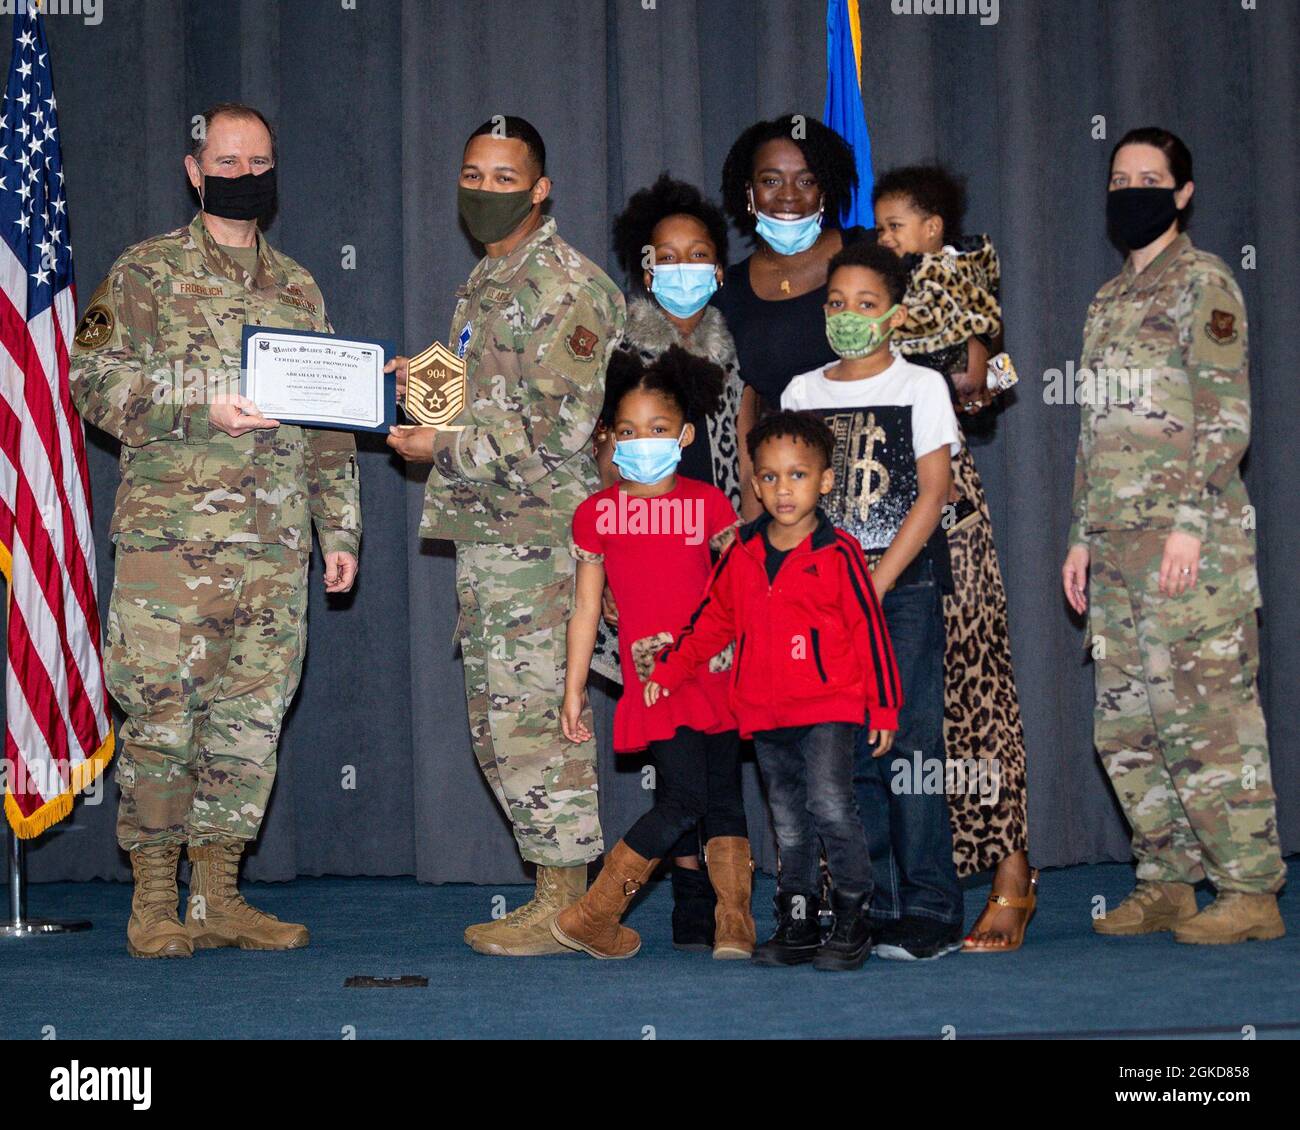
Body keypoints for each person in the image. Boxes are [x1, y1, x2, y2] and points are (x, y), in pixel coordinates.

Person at [70, 103, 360, 959]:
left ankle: (220, 895)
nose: (244, 174)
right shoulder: (145, 273)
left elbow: (332, 422)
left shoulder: (301, 285)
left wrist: (339, 529)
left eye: (259, 159)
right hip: (172, 547)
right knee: (163, 721)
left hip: (274, 550)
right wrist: (200, 405)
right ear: (195, 171)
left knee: (250, 724)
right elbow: (94, 380)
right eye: (226, 162)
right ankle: (156, 899)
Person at [386, 116, 626, 956]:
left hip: (542, 542)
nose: (485, 192)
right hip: (492, 537)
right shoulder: (488, 279)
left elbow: (555, 432)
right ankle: (553, 893)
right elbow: (490, 393)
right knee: (499, 720)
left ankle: (569, 909)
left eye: (504, 177)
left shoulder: (567, 287)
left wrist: (437, 443)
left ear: (541, 187)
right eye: (473, 176)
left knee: (534, 720)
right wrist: (420, 384)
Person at [1063, 126, 1285, 945]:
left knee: (1209, 721)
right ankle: (1166, 879)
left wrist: (1191, 526)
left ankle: (1251, 889)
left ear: (1183, 192)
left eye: (1149, 178)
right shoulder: (1106, 299)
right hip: (1115, 545)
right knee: (1125, 725)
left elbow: (1226, 422)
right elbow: (1094, 430)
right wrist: (1080, 535)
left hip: (1192, 546)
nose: (1133, 190)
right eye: (1120, 178)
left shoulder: (1206, 284)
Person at [646, 412, 902, 973]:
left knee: (832, 806)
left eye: (797, 476)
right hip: (763, 715)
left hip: (829, 707)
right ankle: (799, 915)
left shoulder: (841, 554)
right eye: (770, 477)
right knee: (787, 819)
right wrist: (670, 669)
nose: (783, 490)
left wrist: (883, 706)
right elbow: (711, 620)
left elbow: (871, 634)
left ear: (825, 481)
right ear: (754, 483)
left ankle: (856, 911)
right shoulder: (739, 550)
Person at [783, 240, 966, 960]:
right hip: (823, 600)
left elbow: (934, 492)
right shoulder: (802, 392)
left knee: (911, 746)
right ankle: (870, 903)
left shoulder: (922, 386)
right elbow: (786, 496)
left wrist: (878, 579)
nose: (849, 316)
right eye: (836, 303)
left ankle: (930, 907)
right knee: (843, 755)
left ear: (895, 313)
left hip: (901, 592)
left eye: (865, 304)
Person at [872, 166, 1037, 952]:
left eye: (896, 224)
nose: (885, 239)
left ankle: (1013, 876)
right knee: (896, 711)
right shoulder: (875, 294)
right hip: (869, 518)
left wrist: (983, 364)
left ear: (933, 226)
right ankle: (888, 887)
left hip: (952, 514)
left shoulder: (961, 284)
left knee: (979, 693)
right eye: (879, 228)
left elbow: (994, 381)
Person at [552, 347, 751, 960]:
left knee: (724, 796)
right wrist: (574, 687)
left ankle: (733, 922)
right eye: (629, 431)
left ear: (685, 435)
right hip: (658, 678)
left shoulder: (710, 505)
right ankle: (595, 913)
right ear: (608, 436)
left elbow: (740, 590)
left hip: (719, 672)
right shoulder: (596, 515)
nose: (643, 442)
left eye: (659, 430)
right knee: (684, 797)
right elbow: (586, 608)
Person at [589, 174, 744, 950]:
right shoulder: (623, 348)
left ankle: (710, 909)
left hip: (716, 570)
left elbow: (742, 461)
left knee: (718, 748)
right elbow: (601, 462)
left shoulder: (728, 347)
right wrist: (613, 574)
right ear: (645, 266)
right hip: (650, 580)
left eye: (701, 255)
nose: (685, 268)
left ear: (718, 267)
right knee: (678, 746)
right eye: (669, 256)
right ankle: (656, 900)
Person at [713, 114, 866, 521]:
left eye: (806, 179)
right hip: (789, 500)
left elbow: (961, 329)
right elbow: (742, 410)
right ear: (748, 192)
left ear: (825, 189)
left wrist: (990, 368)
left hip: (882, 480)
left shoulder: (871, 257)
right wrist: (750, 515)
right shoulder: (728, 292)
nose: (788, 195)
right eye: (770, 180)